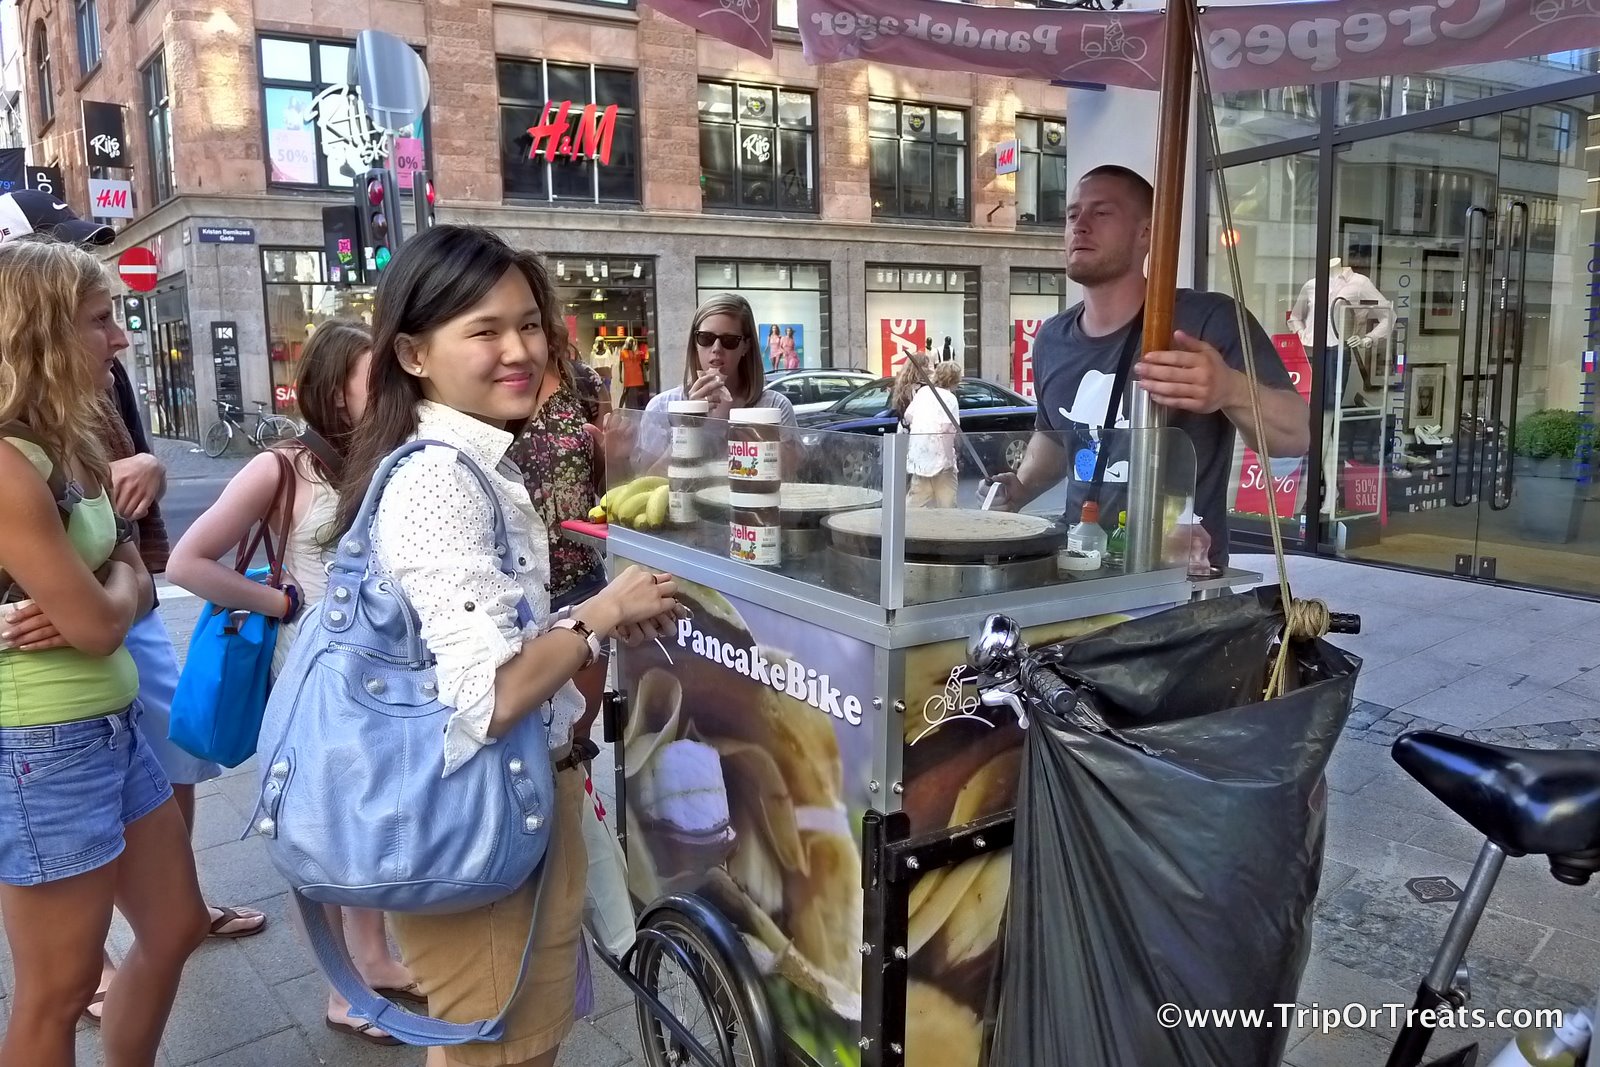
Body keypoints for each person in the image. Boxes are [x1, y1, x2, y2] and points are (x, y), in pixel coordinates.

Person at [331, 224, 681, 1067]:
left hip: (506, 805)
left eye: (528, 324)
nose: (518, 349)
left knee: (510, 1044)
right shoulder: (439, 479)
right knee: (503, 1052)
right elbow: (486, 697)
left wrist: (579, 627)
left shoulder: (475, 459)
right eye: (483, 331)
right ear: (414, 353)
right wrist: (597, 614)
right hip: (477, 819)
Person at [166, 319, 424, 1046]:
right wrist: (279, 602)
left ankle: (373, 956)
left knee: (372, 820)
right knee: (325, 827)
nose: (389, 394)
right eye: (374, 382)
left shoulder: (385, 458)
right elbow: (188, 561)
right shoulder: (282, 467)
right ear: (330, 388)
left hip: (386, 675)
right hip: (313, 675)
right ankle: (341, 987)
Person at [0, 237, 209, 1066]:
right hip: (44, 744)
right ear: (41, 333)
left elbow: (132, 570)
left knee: (176, 922)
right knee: (57, 988)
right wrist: (113, 593)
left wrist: (111, 590)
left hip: (108, 724)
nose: (120, 337)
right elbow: (97, 621)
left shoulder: (69, 438)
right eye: (100, 319)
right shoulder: (11, 465)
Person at [988, 165, 1310, 566]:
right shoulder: (1052, 338)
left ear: (1146, 233)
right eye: (1072, 214)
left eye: (1101, 213)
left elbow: (1295, 435)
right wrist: (1020, 489)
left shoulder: (1207, 320)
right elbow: (1057, 438)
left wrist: (1230, 389)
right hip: (1080, 564)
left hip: (1179, 574)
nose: (1080, 226)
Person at [508, 341, 611, 742]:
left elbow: (607, 486)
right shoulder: (498, 386)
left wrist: (611, 452)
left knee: (576, 733)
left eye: (530, 322)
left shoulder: (582, 381)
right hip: (514, 590)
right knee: (523, 736)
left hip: (581, 579)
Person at [638, 294, 799, 461]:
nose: (716, 348)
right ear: (695, 342)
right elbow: (648, 482)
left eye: (729, 340)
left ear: (746, 346)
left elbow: (792, 479)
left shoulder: (774, 407)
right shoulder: (661, 407)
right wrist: (688, 427)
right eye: (705, 338)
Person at [905, 360, 962, 508]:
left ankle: (906, 530)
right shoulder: (950, 399)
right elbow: (946, 431)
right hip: (941, 463)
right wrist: (950, 460)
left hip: (920, 460)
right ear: (955, 380)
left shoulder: (923, 393)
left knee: (914, 507)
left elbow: (908, 416)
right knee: (947, 508)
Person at [889, 352, 931, 425]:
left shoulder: (901, 385)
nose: (928, 369)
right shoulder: (924, 387)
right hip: (920, 427)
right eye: (926, 366)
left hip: (905, 426)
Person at [618, 337, 648, 410]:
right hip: (629, 376)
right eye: (630, 342)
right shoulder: (623, 352)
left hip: (637, 375)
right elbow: (620, 364)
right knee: (625, 392)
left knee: (640, 393)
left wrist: (644, 376)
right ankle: (619, 408)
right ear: (627, 343)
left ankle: (642, 408)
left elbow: (642, 365)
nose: (631, 343)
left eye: (632, 342)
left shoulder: (637, 352)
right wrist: (620, 376)